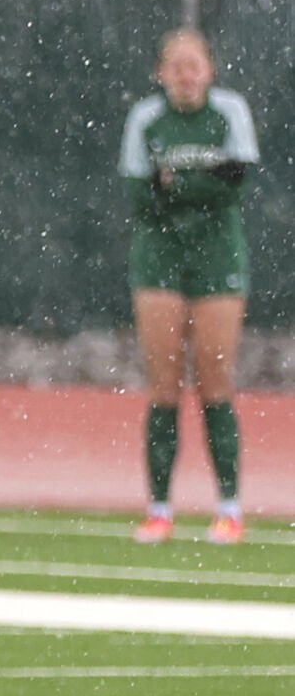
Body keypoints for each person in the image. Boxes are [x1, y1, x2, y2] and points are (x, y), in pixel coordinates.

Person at [119, 28, 258, 545]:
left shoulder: (230, 113)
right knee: (164, 387)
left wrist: (179, 185)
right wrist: (190, 187)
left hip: (217, 258)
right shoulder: (146, 119)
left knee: (216, 383)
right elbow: (142, 198)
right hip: (160, 260)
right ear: (160, 73)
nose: (185, 75)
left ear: (210, 69)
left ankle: (229, 507)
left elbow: (231, 187)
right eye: (174, 66)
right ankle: (159, 508)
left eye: (193, 65)